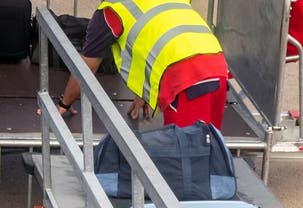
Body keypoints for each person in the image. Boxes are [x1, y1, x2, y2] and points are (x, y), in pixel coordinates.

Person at [55, 0, 228, 127]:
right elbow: (155, 40)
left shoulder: (112, 11)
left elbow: (86, 68)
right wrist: (144, 93)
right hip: (217, 68)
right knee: (209, 147)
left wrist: (65, 104)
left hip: (185, 79)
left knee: (186, 157)